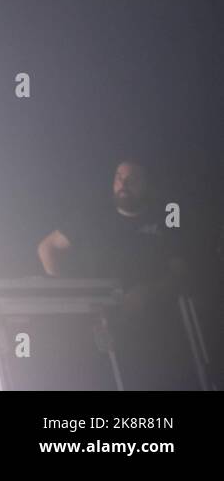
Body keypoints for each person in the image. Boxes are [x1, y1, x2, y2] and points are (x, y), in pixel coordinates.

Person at [37, 159, 196, 388]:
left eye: (132, 180)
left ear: (147, 185)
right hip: (100, 320)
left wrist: (151, 292)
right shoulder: (94, 216)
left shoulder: (168, 214)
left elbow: (180, 268)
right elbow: (46, 247)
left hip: (155, 323)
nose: (123, 184)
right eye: (119, 178)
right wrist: (67, 295)